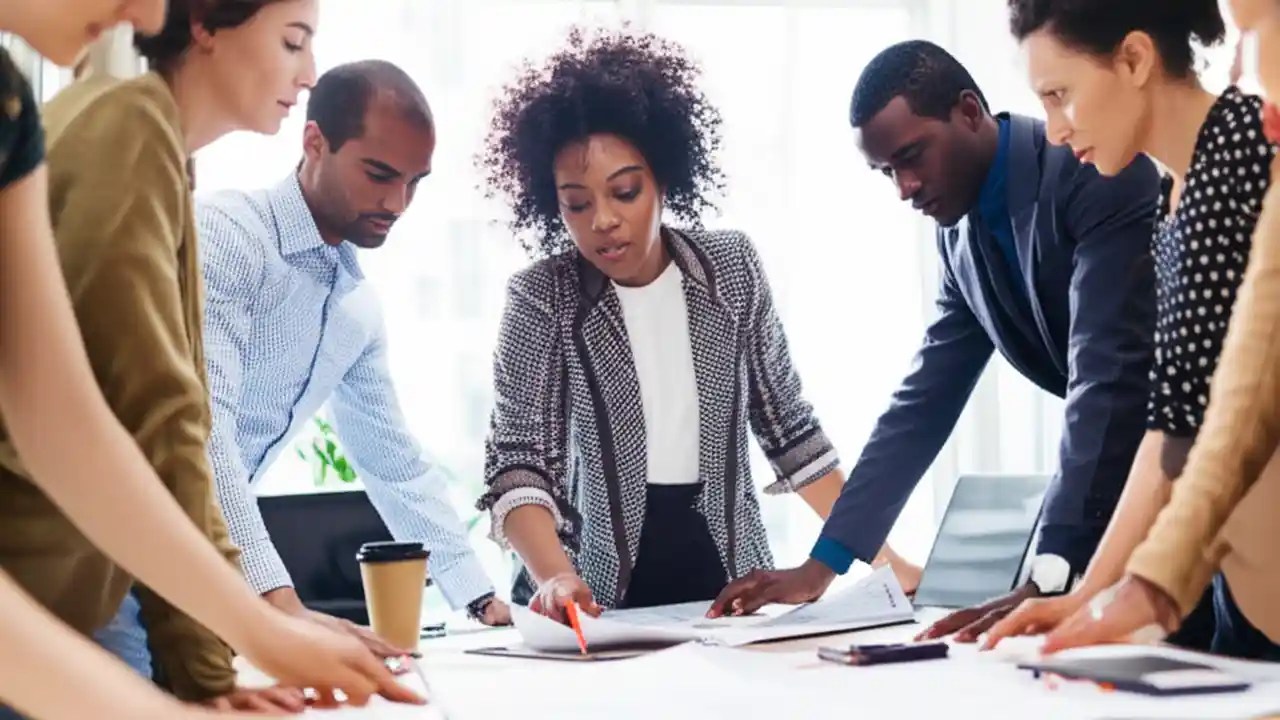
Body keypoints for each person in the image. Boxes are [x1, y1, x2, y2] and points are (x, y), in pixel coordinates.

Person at [0, 0, 422, 713]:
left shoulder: (68, 117)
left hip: (63, 606)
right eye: (293, 42)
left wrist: (235, 651)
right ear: (204, 27)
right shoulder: (131, 124)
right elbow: (159, 428)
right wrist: (228, 654)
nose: (309, 73)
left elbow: (96, 428)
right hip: (41, 608)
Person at [709, 40, 1161, 641]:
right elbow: (922, 406)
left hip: (1208, 483)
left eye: (911, 156)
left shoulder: (1093, 172)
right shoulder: (957, 238)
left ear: (969, 111)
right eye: (887, 172)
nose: (904, 187)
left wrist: (1048, 574)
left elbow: (1105, 384)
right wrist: (823, 566)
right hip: (1134, 503)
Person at [474, 28, 902, 620]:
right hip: (588, 592)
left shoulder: (732, 270)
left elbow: (791, 433)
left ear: (664, 179)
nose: (603, 220)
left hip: (726, 585)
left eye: (625, 192)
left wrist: (885, 560)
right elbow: (519, 462)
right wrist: (556, 579)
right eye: (577, 203)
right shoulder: (541, 297)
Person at [985, 0, 1280, 661]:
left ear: (1135, 59)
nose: (1054, 131)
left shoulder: (1240, 145)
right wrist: (1090, 591)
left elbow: (1187, 424)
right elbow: (1172, 418)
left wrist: (1110, 592)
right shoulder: (1171, 192)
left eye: (1059, 96)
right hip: (1238, 571)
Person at [178, 60, 508, 644]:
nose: (397, 202)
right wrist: (278, 603)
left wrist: (482, 599)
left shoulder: (356, 309)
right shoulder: (229, 237)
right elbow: (203, 430)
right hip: (110, 550)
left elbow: (394, 463)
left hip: (193, 570)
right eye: (379, 174)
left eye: (415, 182)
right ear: (315, 142)